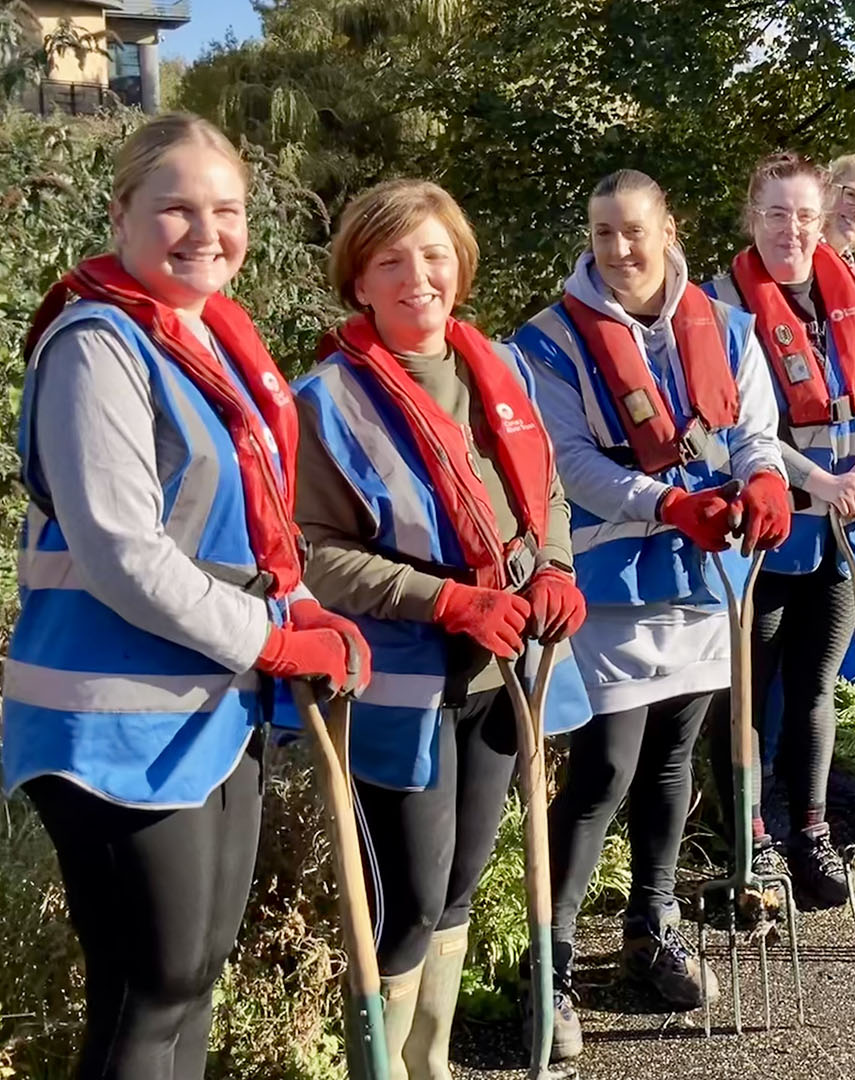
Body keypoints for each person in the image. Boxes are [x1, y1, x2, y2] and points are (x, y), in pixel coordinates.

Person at [4, 113, 370, 1080]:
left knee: (195, 974)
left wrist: (301, 614)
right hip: (111, 720)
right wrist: (271, 640)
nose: (206, 230)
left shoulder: (208, 346)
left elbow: (244, 532)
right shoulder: (99, 345)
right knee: (148, 983)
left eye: (227, 209)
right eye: (175, 208)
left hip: (211, 705)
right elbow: (122, 550)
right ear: (122, 214)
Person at [292, 179, 589, 1078]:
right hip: (401, 682)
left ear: (459, 266)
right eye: (391, 261)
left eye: (433, 255)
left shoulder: (498, 367)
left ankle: (434, 1064)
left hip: (506, 671)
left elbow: (545, 495)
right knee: (411, 897)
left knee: (461, 883)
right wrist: (447, 601)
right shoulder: (325, 399)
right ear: (359, 281)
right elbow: (311, 553)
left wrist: (556, 567)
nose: (417, 277)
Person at [512, 169, 791, 1061]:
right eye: (602, 234)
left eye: (634, 230)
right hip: (612, 578)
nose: (620, 250)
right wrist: (664, 504)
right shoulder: (550, 343)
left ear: (669, 229)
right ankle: (549, 964)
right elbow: (569, 463)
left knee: (675, 756)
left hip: (708, 574)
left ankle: (650, 924)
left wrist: (767, 478)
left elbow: (751, 426)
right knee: (604, 769)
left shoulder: (727, 326)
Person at [705, 152, 855, 906]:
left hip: (848, 524)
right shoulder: (720, 304)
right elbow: (731, 424)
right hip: (769, 524)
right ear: (752, 217)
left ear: (826, 223)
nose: (792, 231)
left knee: (817, 684)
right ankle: (749, 837)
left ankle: (811, 835)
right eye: (776, 215)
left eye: (806, 217)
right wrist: (821, 481)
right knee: (749, 692)